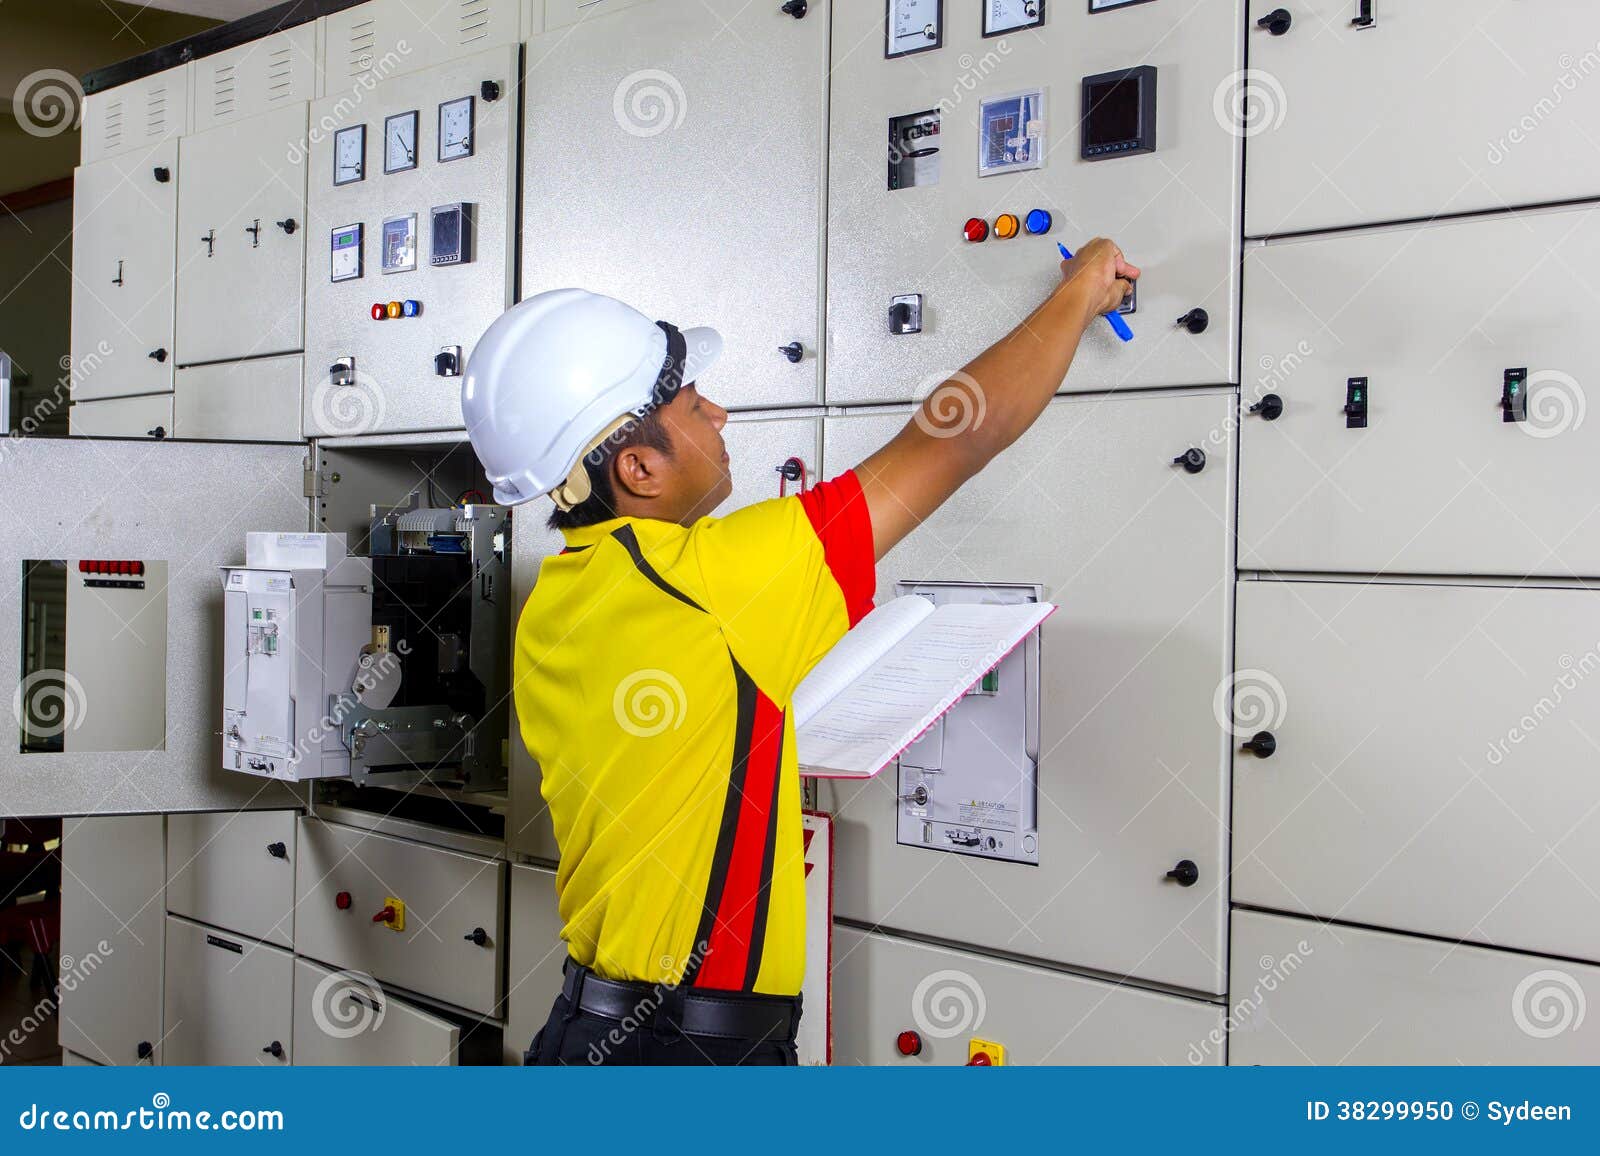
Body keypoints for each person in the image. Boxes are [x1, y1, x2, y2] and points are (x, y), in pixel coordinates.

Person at [462, 240, 1139, 1065]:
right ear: (637, 466)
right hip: (690, 1058)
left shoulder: (557, 595)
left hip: (585, 1031)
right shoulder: (713, 576)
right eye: (691, 402)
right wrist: (1079, 293)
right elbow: (956, 438)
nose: (720, 416)